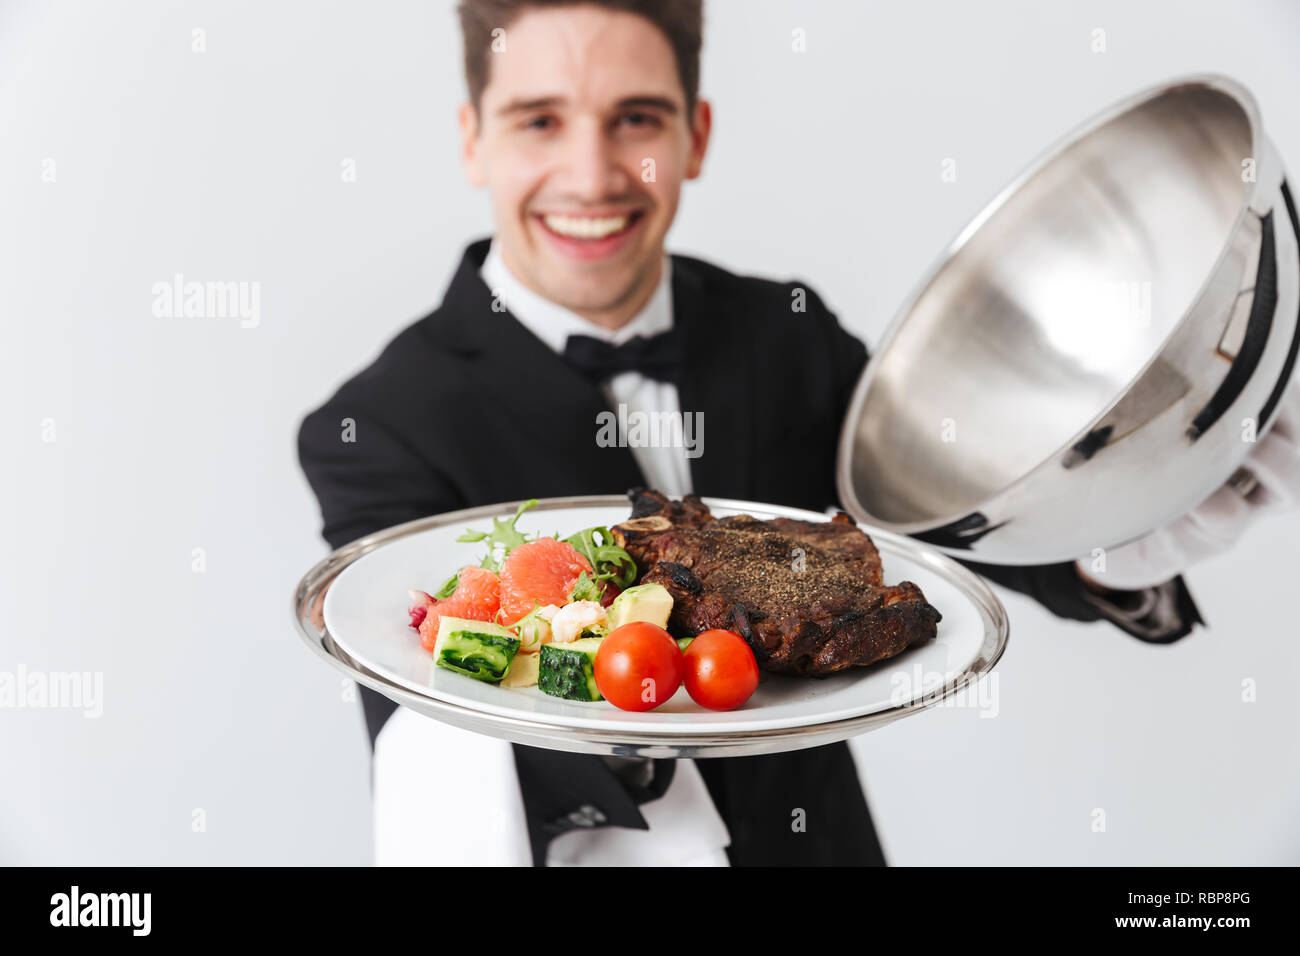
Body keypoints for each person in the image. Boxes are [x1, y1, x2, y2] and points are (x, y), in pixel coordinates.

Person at [297, 0, 1300, 865]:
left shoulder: (788, 331)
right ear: (473, 136)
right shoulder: (381, 423)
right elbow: (427, 717)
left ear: (694, 133)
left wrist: (1121, 544)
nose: (592, 173)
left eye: (635, 118)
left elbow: (945, 512)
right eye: (538, 121)